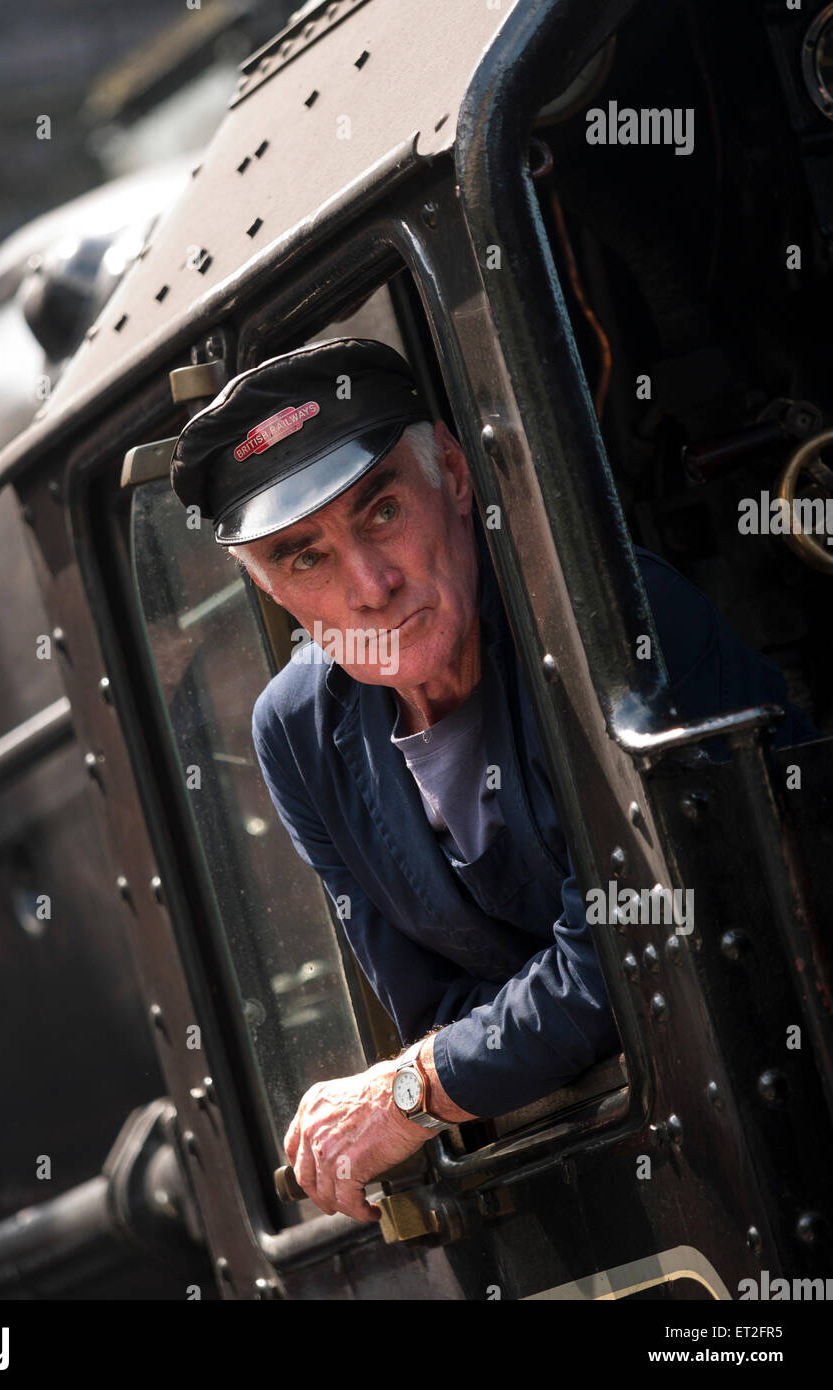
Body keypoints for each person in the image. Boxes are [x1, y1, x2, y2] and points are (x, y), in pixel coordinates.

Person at [170, 337, 811, 1223]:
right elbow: (436, 1008)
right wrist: (490, 1049)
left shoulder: (611, 615)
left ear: (458, 478)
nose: (370, 585)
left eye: (382, 509)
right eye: (303, 557)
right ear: (274, 593)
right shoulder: (294, 735)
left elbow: (645, 947)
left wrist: (414, 1092)